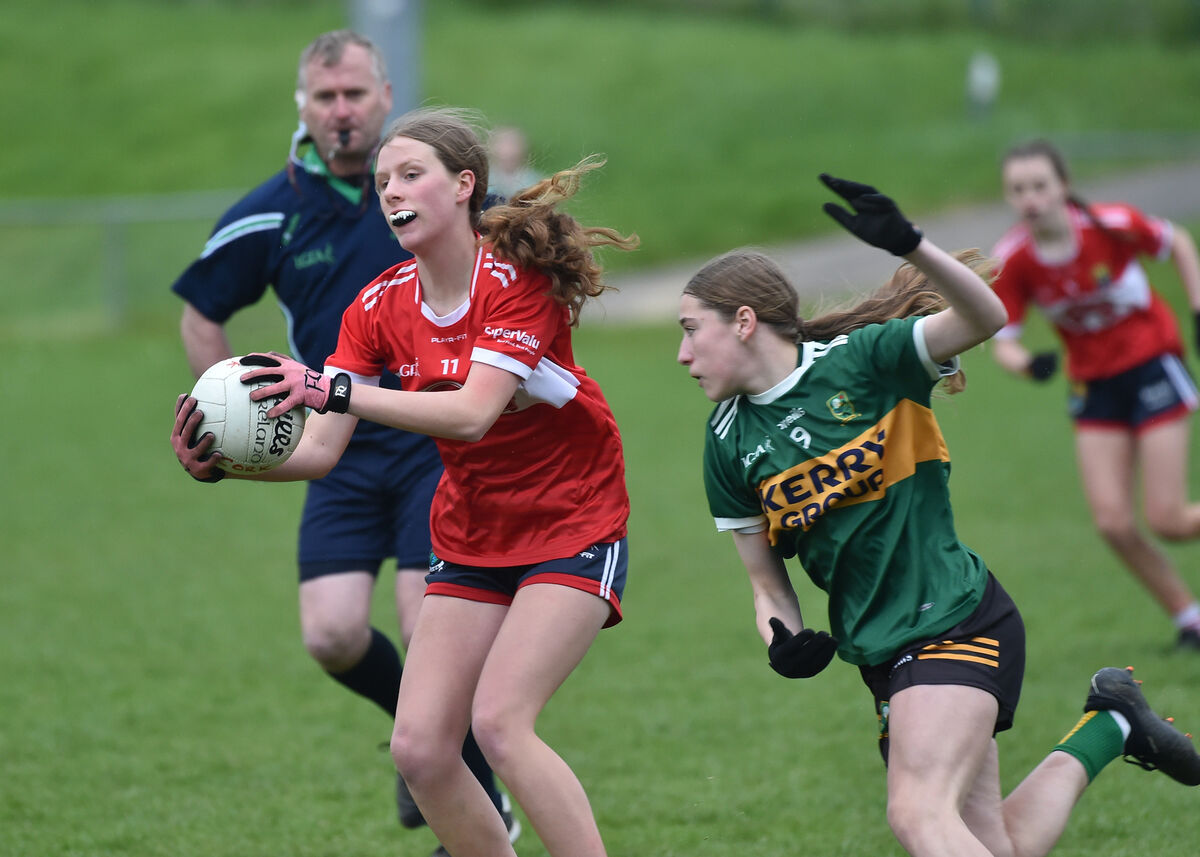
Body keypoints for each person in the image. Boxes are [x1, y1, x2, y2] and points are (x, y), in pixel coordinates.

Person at [677, 173, 1200, 857]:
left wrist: (914, 246)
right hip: (881, 652)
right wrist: (783, 636)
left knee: (919, 813)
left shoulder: (866, 361)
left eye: (692, 331)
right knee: (995, 842)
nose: (683, 354)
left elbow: (986, 319)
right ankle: (1113, 726)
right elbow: (766, 582)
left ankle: (1114, 723)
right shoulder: (727, 443)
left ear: (743, 321)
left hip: (954, 618)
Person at [172, 105, 638, 857]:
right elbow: (322, 449)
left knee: (499, 724)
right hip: (473, 532)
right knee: (420, 749)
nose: (391, 192)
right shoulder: (379, 304)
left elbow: (472, 414)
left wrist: (335, 388)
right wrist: (228, 465)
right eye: (384, 180)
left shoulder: (513, 280)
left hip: (572, 522)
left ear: (464, 185)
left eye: (410, 175)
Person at [168, 32, 516, 853]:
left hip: (433, 440)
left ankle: (468, 799)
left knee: (425, 620)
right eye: (325, 98)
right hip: (334, 439)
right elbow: (200, 313)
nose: (342, 112)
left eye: (355, 94)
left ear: (384, 97)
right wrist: (234, 424)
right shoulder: (272, 212)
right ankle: (423, 735)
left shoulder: (427, 193)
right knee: (330, 633)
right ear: (303, 107)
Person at [990, 139, 1200, 650]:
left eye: (1040, 185)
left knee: (1168, 519)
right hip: (1093, 385)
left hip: (1151, 364)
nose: (1031, 198)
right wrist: (1028, 366)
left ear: (1063, 186)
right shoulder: (1014, 259)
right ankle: (1190, 618)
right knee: (1111, 522)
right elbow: (1003, 339)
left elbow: (1178, 242)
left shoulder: (1109, 224)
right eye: (1018, 190)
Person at [486, 125, 542, 199]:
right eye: (503, 145)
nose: (509, 151)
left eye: (512, 145)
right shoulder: (485, 180)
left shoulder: (534, 181)